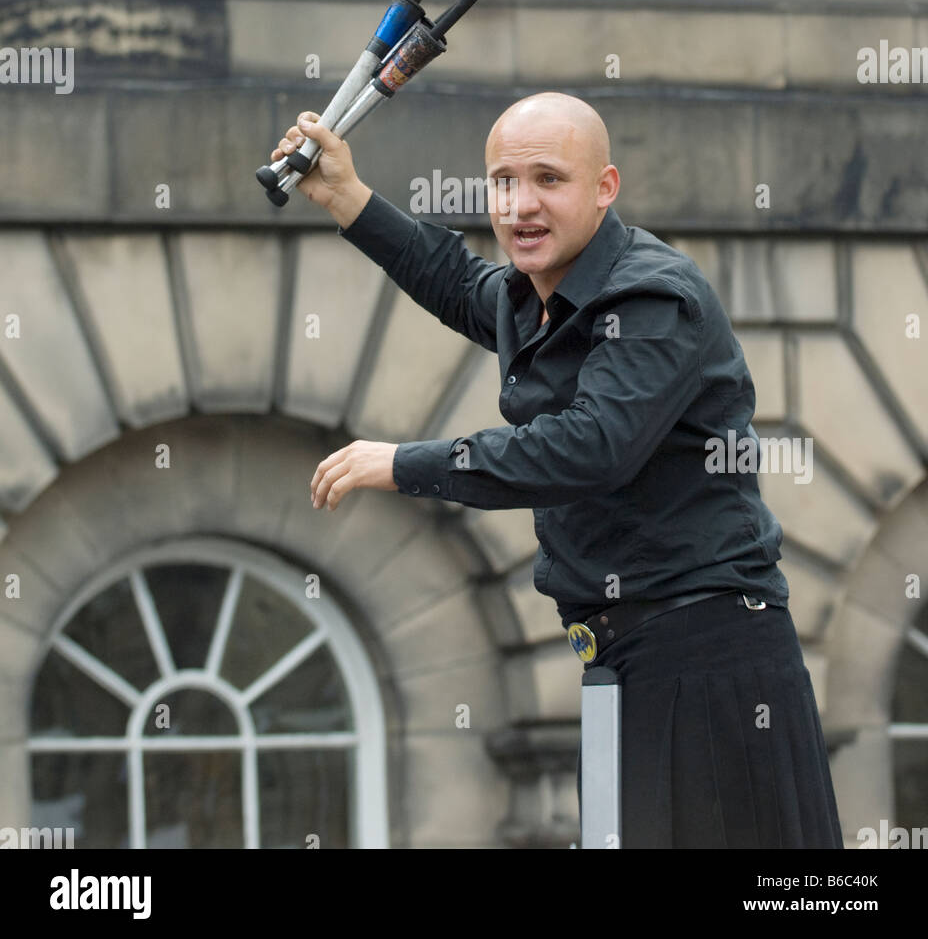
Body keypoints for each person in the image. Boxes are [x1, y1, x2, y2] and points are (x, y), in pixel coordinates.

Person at [269, 91, 844, 850]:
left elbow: (588, 448)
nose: (520, 204)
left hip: (709, 663)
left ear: (605, 188)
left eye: (548, 179)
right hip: (623, 657)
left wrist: (406, 463)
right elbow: (449, 277)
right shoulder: (532, 297)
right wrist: (346, 195)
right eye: (504, 181)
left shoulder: (652, 298)